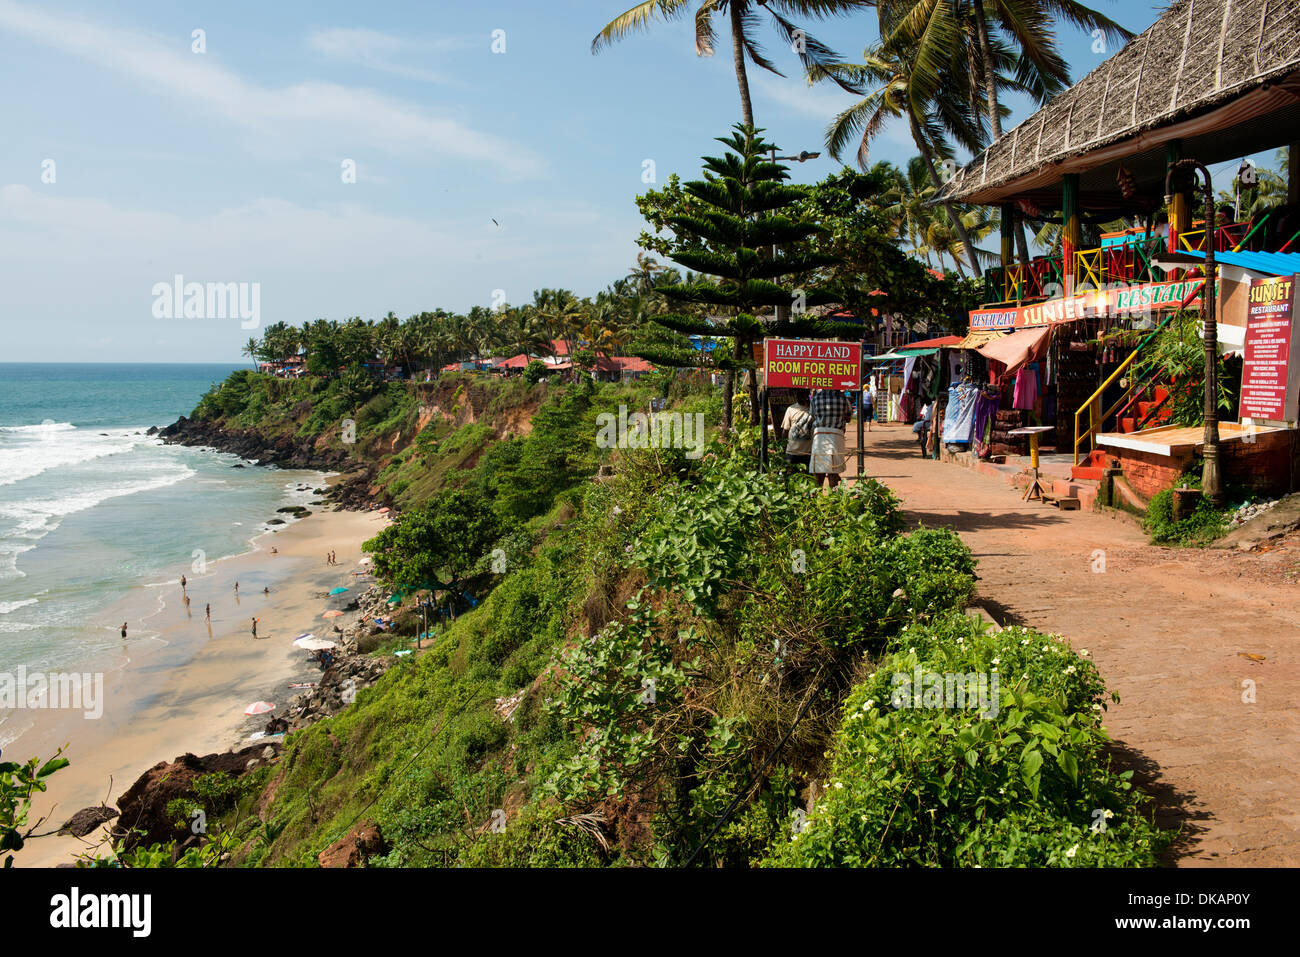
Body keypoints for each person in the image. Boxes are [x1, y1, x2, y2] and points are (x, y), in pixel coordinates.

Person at [809, 387, 852, 489]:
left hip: (819, 436)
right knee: (833, 470)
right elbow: (848, 418)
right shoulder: (843, 399)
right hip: (837, 436)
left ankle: (816, 498)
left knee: (818, 469)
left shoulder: (815, 399)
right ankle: (833, 498)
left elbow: (813, 416)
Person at [780, 390, 814, 474]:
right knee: (789, 476)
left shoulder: (814, 409)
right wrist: (783, 449)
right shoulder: (791, 409)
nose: (803, 398)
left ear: (808, 396)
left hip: (808, 452)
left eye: (805, 395)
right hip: (792, 451)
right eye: (799, 395)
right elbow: (785, 430)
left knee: (807, 478)